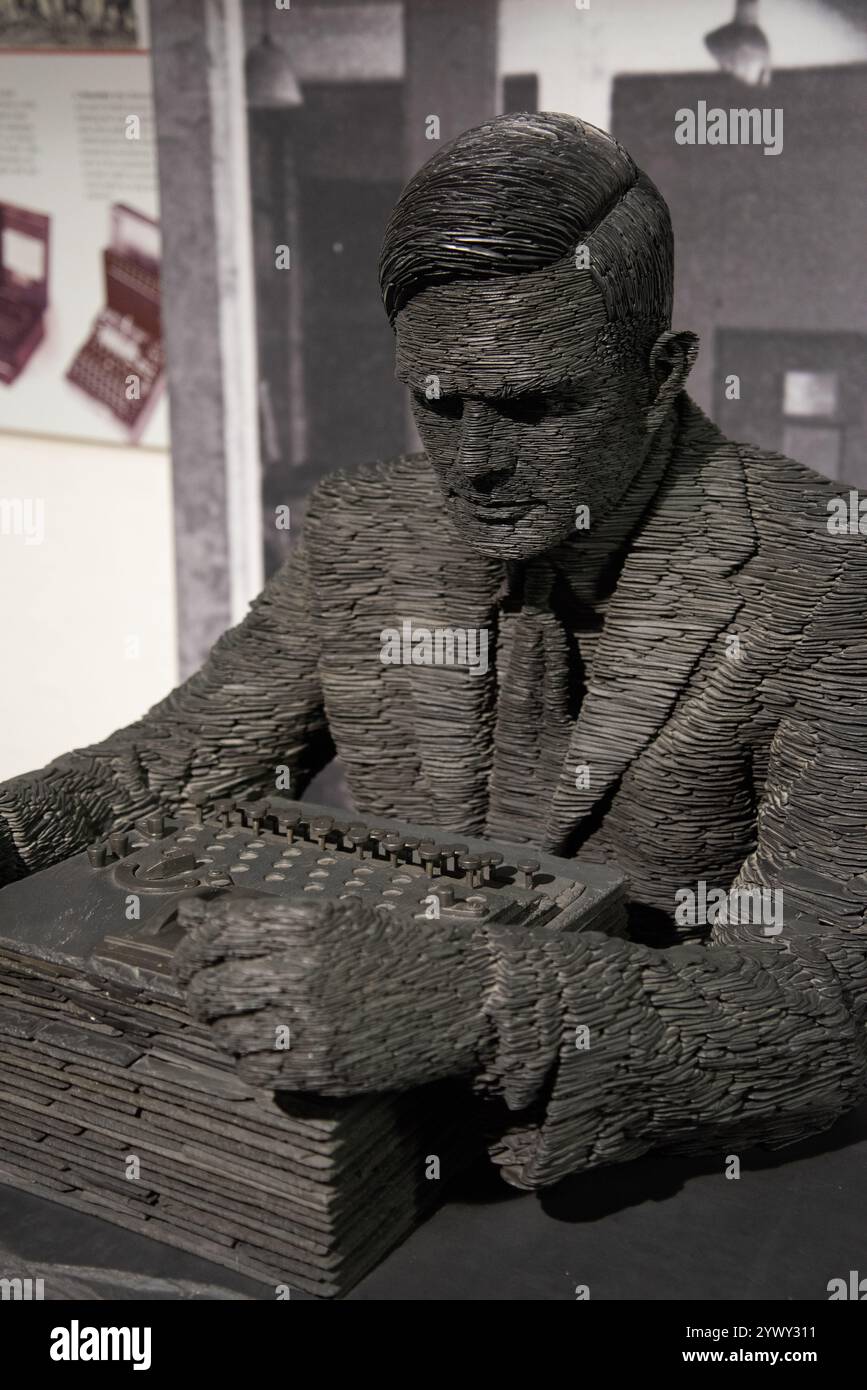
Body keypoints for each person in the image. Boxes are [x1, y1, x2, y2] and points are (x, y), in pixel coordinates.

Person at [3, 114, 866, 1189]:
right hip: (349, 1146)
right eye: (438, 403)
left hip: (653, 1189)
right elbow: (161, 771)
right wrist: (12, 826)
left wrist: (481, 1003)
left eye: (533, 405)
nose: (475, 462)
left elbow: (827, 1000)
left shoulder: (826, 573)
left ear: (660, 374)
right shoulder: (363, 531)